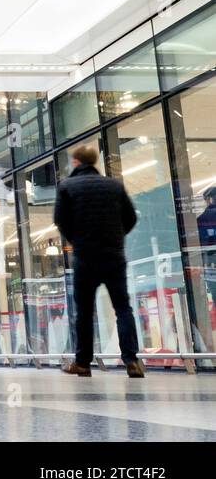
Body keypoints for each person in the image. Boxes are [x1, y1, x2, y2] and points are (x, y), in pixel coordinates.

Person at [54, 143, 146, 378]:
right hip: (113, 255)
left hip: (85, 257)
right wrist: (116, 237)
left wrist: (78, 240)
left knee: (84, 311)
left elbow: (61, 221)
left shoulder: (66, 187)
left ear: (76, 162)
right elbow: (131, 217)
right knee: (123, 308)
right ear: (93, 162)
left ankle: (83, 363)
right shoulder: (114, 185)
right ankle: (132, 361)